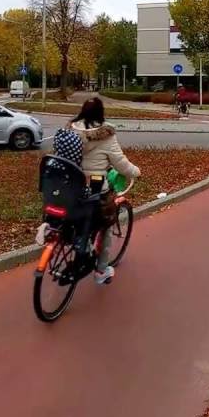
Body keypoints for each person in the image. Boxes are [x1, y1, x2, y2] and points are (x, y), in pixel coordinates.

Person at [71, 96, 140, 285]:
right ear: (101, 113)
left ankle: (79, 245)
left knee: (76, 222)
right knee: (106, 224)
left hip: (71, 188)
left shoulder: (70, 130)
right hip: (95, 191)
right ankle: (101, 271)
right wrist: (136, 172)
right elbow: (120, 162)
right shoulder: (106, 135)